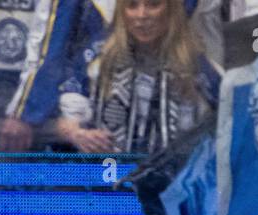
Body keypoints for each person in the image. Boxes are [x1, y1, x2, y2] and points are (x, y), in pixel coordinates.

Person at [55, 0, 217, 154]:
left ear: (171, 9)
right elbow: (63, 121)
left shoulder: (195, 64)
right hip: (107, 172)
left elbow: (226, 117)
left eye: (153, 4)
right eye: (132, 5)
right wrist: (76, 134)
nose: (142, 15)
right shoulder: (98, 54)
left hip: (175, 175)